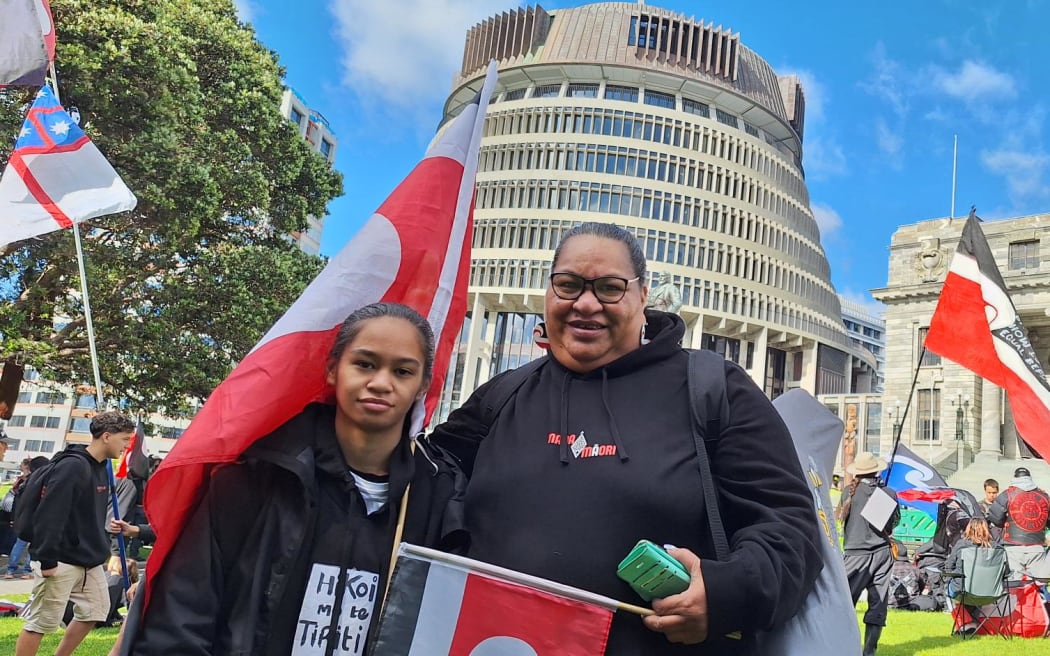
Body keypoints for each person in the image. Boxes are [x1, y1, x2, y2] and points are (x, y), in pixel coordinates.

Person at [430, 222, 822, 654]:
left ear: (642, 296)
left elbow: (788, 527)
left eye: (609, 288)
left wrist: (724, 592)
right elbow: (419, 482)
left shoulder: (714, 389)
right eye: (568, 285)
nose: (585, 303)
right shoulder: (502, 396)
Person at [120, 303, 467, 655]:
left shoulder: (438, 498)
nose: (380, 383)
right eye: (364, 364)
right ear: (333, 369)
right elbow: (181, 618)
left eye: (403, 371)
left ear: (423, 385)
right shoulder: (254, 477)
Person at [15, 410, 135, 656]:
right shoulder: (72, 466)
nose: (126, 446)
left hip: (88, 560)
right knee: (40, 623)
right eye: (124, 439)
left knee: (95, 611)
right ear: (106, 436)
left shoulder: (102, 467)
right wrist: (46, 559)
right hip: (60, 559)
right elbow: (51, 514)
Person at [841, 451, 900, 656]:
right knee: (878, 603)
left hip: (855, 554)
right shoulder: (888, 493)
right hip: (882, 554)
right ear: (876, 470)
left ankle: (843, 646)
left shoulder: (848, 491)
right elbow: (891, 526)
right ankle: (869, 652)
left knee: (845, 604)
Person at [987, 467, 1050, 578]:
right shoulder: (1044, 496)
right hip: (1037, 547)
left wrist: (1004, 522)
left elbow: (994, 517)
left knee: (1014, 583)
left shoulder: (1007, 494)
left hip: (1012, 546)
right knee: (1037, 584)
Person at [944, 517, 997, 632]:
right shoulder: (997, 548)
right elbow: (1005, 571)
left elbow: (948, 566)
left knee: (948, 590)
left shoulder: (961, 545)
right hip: (991, 592)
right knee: (974, 590)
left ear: (968, 528)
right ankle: (973, 622)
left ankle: (965, 624)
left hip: (964, 589)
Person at [4, 456, 51, 579]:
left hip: (24, 518)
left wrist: (15, 518)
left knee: (19, 543)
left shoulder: (24, 482)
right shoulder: (45, 481)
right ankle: (27, 571)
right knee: (33, 545)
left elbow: (17, 501)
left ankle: (10, 570)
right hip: (38, 518)